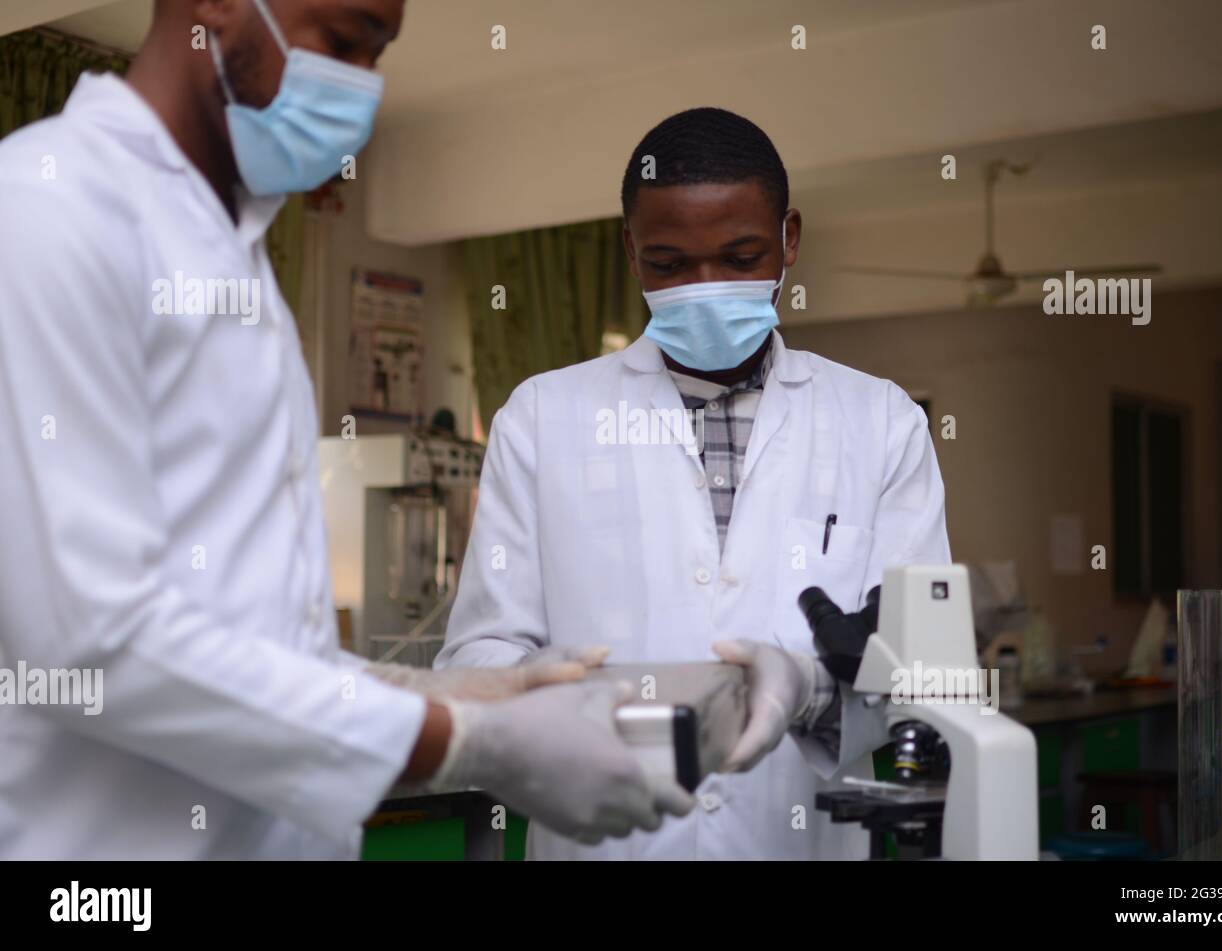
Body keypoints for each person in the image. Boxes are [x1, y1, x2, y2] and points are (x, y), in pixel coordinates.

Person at [0, 0, 690, 860]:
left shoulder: (235, 260)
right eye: (344, 41)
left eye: (379, 52)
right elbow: (91, 645)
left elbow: (251, 647)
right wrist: (462, 741)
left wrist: (466, 694)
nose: (361, 88)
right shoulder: (46, 209)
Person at [437, 107, 952, 860]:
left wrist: (810, 691)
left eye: (741, 257)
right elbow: (476, 657)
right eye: (669, 265)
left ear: (790, 239)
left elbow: (923, 670)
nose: (704, 289)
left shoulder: (880, 422)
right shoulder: (543, 417)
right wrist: (543, 699)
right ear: (630, 250)